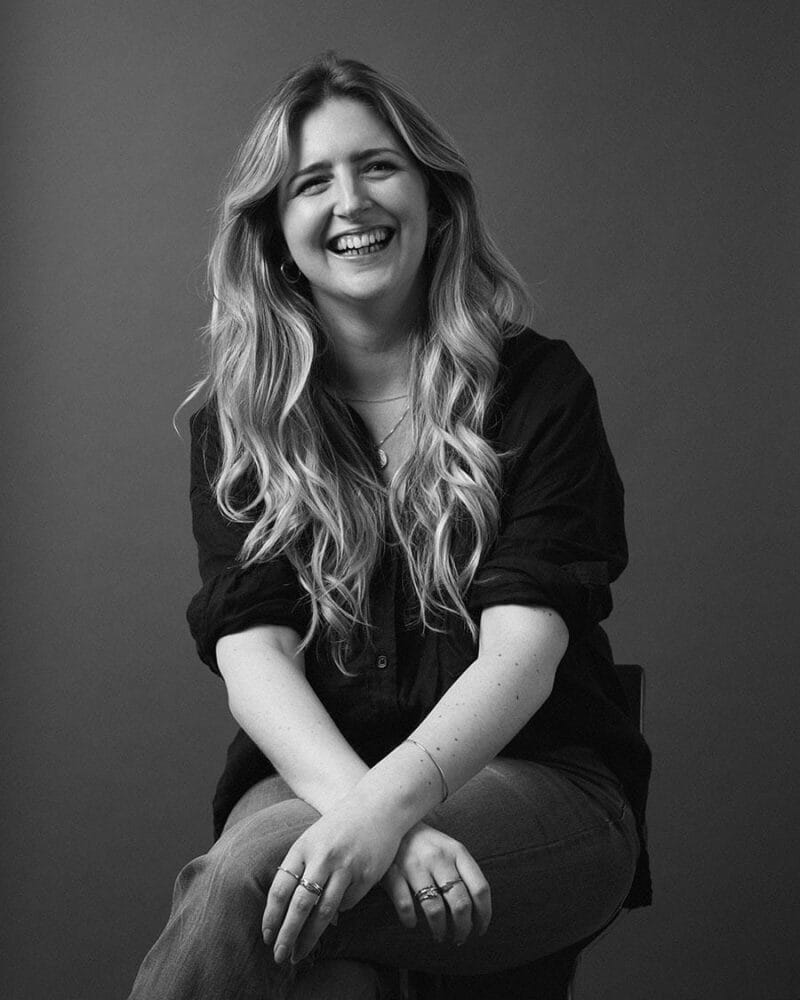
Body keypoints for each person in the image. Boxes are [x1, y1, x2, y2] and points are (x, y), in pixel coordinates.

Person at [129, 52, 651, 1000]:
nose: (351, 201)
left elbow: (523, 654)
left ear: (433, 199)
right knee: (315, 967)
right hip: (310, 784)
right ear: (274, 231)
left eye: (378, 166)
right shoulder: (238, 423)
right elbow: (253, 655)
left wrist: (386, 813)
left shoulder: (539, 388)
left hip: (542, 785)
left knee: (252, 884)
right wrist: (376, 824)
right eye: (311, 182)